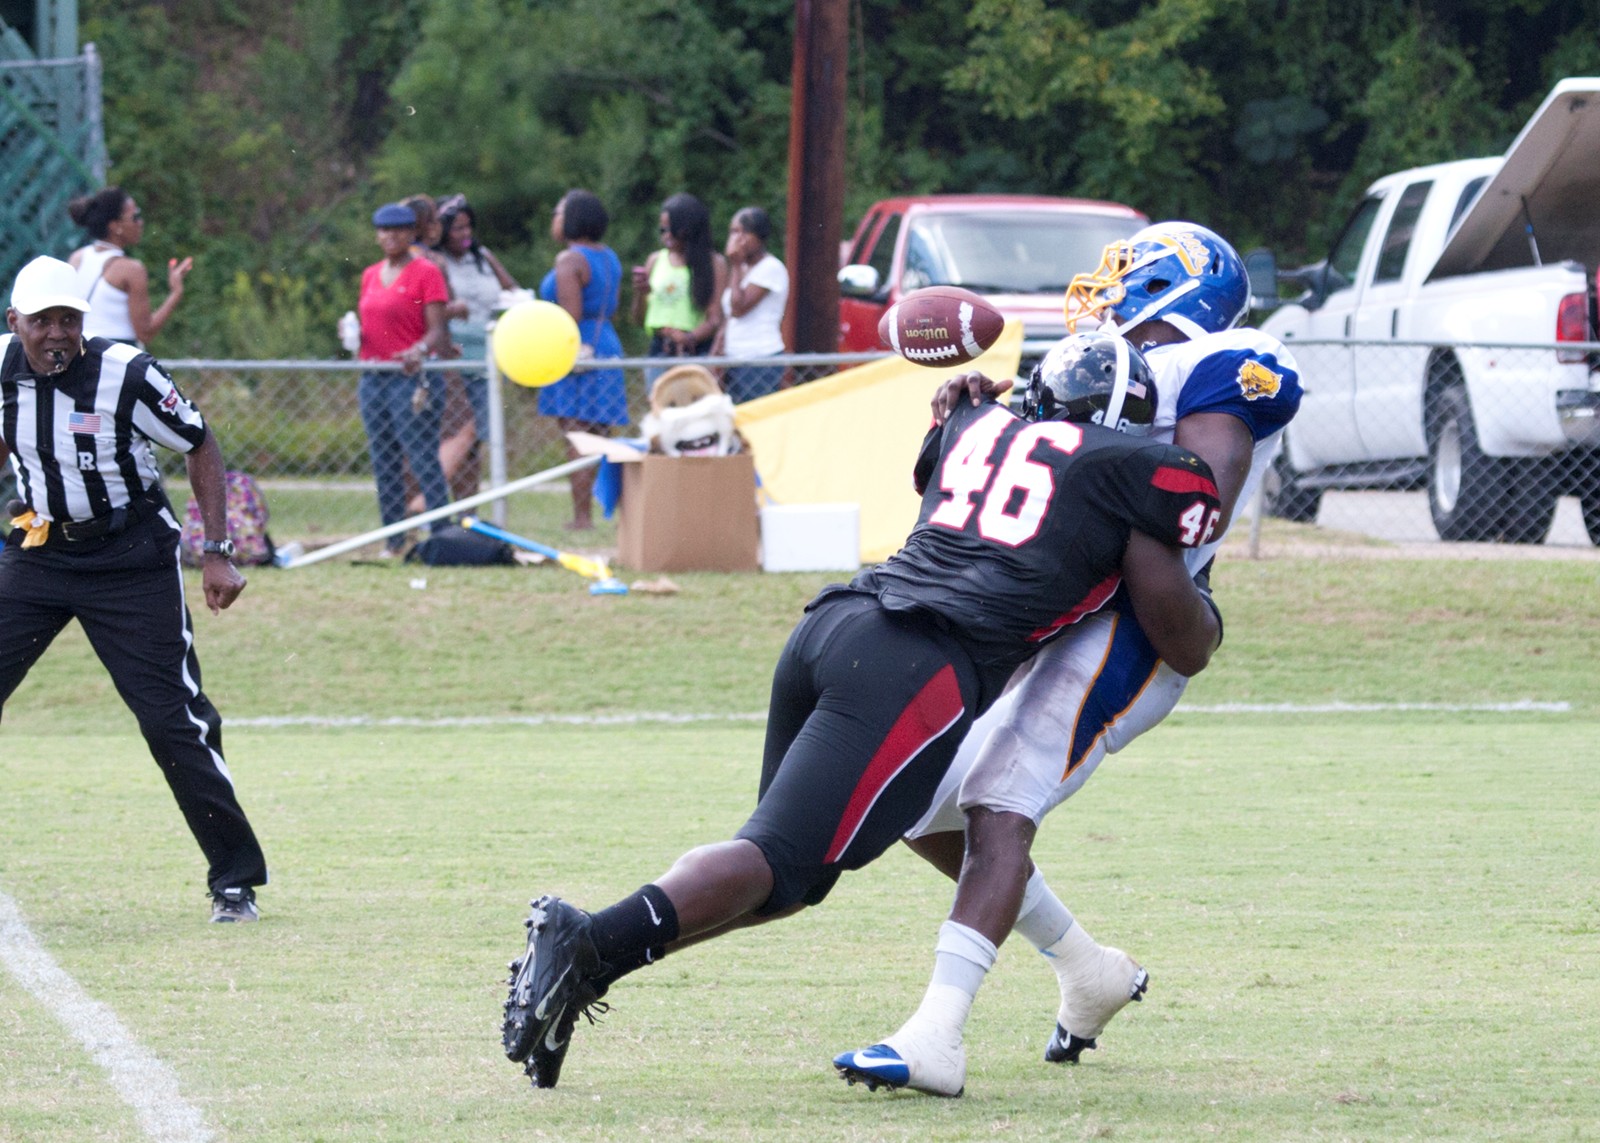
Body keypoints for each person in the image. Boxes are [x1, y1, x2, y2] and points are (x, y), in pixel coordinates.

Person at [500, 329, 1229, 1091]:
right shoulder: (1137, 470)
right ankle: (584, 940)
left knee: (788, 879)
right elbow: (1180, 636)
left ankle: (592, 967)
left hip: (836, 621)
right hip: (917, 661)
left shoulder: (974, 423)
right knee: (774, 861)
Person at [835, 222, 1304, 1097]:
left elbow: (1189, 504)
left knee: (1000, 795)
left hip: (1129, 623)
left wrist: (1083, 433)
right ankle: (1088, 969)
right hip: (1045, 603)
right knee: (919, 798)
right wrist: (976, 422)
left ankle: (938, 1032)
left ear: (1183, 288)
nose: (1107, 291)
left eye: (1131, 274)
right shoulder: (1093, 367)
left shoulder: (1228, 362)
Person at [0, 256, 266, 923]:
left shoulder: (127, 372)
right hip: (40, 551)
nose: (57, 334)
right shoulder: (2, 370)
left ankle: (235, 878)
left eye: (70, 320)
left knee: (171, 719)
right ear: (15, 324)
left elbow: (200, 444)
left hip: (130, 556)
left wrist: (216, 551)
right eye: (43, 322)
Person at [356, 201, 452, 556]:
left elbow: (438, 331)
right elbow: (370, 325)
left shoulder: (426, 272)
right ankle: (394, 539)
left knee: (421, 455)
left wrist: (419, 350)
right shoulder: (369, 274)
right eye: (383, 230)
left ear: (411, 233)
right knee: (384, 459)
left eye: (398, 230)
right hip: (373, 375)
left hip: (411, 378)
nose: (390, 237)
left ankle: (442, 534)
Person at [537, 190, 627, 531]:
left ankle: (582, 517)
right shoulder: (609, 257)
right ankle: (613, 512)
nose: (554, 220)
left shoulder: (569, 260)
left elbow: (569, 315)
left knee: (576, 434)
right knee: (601, 434)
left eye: (558, 212)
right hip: (605, 341)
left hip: (575, 347)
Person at [432, 194, 520, 502]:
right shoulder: (435, 262)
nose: (465, 235)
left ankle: (469, 510)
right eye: (457, 229)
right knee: (455, 436)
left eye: (468, 227)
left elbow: (513, 290)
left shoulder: (482, 257)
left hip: (485, 356)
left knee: (475, 439)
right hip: (452, 356)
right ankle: (434, 504)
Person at [66, 187, 193, 347]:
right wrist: (176, 293)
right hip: (117, 355)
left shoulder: (77, 258)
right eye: (135, 217)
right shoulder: (131, 269)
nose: (140, 223)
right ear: (115, 226)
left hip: (82, 354)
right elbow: (145, 332)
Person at [630, 192, 727, 380]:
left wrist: (687, 338)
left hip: (695, 352)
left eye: (670, 230)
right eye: (662, 230)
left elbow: (714, 319)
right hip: (660, 350)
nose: (665, 236)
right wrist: (640, 294)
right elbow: (639, 320)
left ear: (687, 230)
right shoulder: (655, 260)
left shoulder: (714, 263)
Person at [713, 206, 789, 403]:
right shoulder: (743, 268)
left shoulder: (771, 268)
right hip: (734, 357)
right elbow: (729, 313)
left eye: (742, 232)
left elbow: (738, 308)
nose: (736, 239)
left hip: (759, 359)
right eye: (733, 232)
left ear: (758, 236)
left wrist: (735, 265)